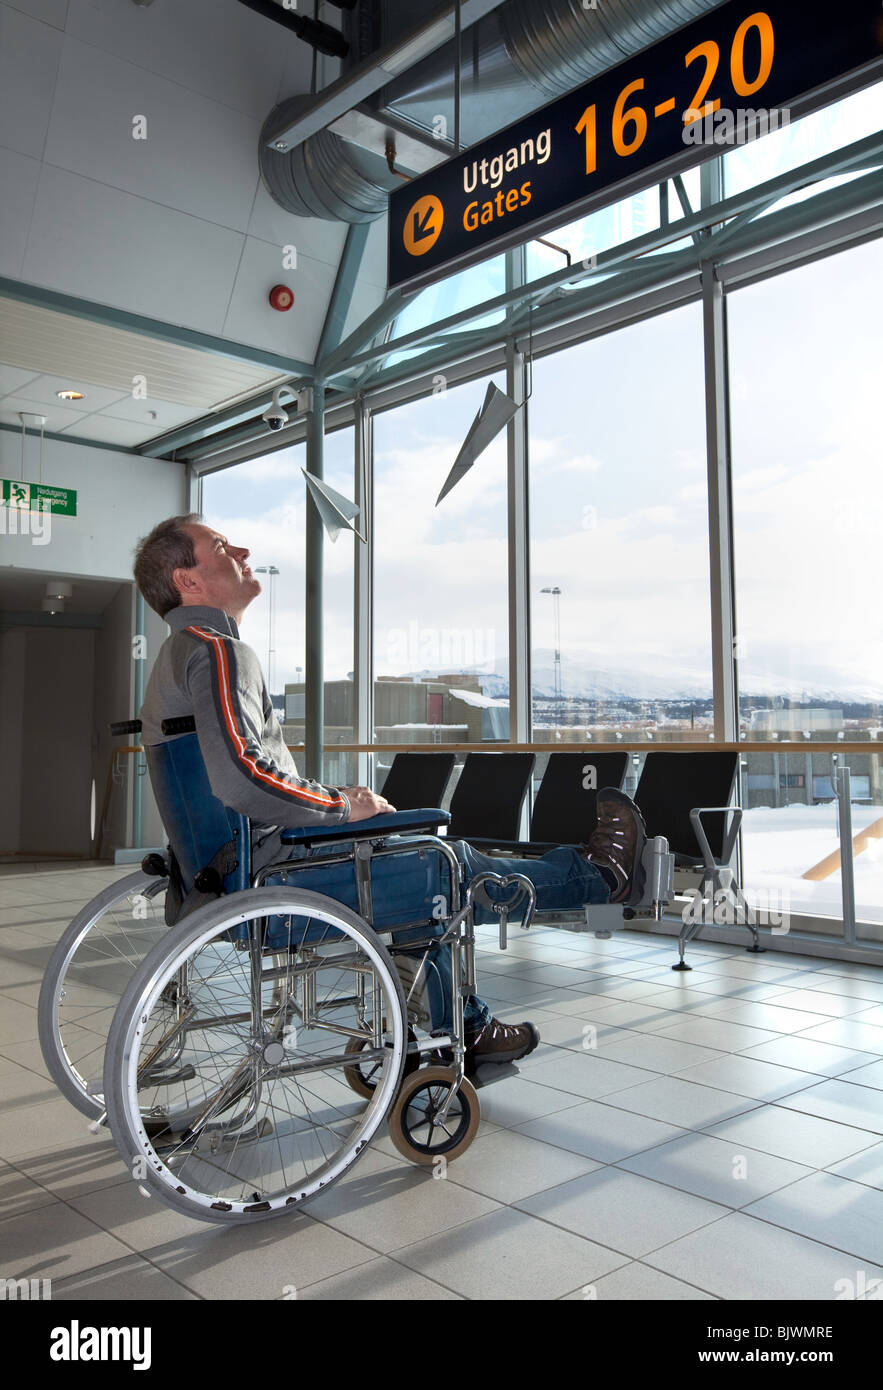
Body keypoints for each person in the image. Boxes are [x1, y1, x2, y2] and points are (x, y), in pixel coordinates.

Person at [134, 514, 647, 1070]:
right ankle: (600, 878)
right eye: (220, 546)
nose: (242, 548)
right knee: (446, 861)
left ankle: (465, 1022)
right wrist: (340, 805)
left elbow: (235, 777)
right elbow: (241, 777)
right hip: (273, 874)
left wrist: (338, 799)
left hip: (226, 875)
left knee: (413, 861)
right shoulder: (216, 650)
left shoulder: (173, 657)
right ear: (188, 580)